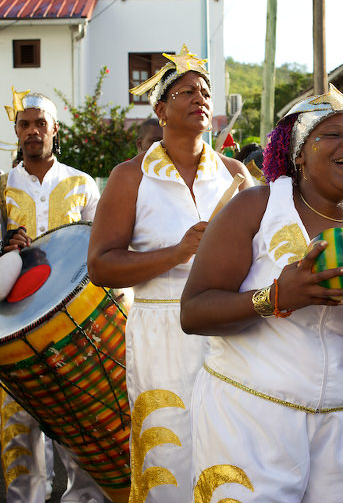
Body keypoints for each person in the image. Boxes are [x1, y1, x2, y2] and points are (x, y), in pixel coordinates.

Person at [179, 84, 343, 501]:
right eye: (330, 133)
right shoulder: (254, 209)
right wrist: (274, 297)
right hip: (250, 422)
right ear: (298, 154)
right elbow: (193, 313)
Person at [87, 45, 253, 503]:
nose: (200, 98)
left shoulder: (236, 175)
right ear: (160, 109)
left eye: (206, 91)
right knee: (170, 450)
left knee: (230, 442)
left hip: (228, 324)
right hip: (162, 325)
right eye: (186, 91)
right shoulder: (130, 176)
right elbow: (100, 265)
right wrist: (176, 252)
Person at [0, 90, 102, 503]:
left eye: (41, 123)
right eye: (25, 125)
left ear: (55, 129)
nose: (33, 131)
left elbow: (103, 249)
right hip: (13, 332)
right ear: (16, 133)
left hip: (74, 332)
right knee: (21, 445)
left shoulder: (82, 184)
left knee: (81, 441)